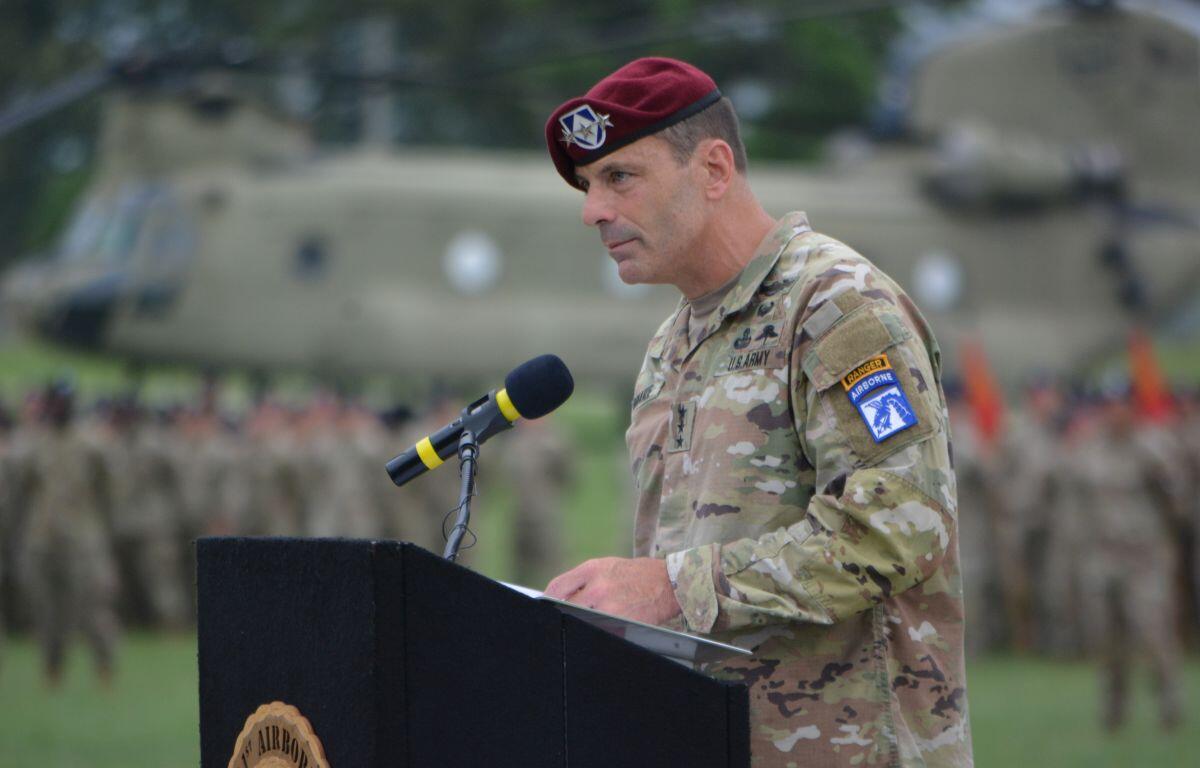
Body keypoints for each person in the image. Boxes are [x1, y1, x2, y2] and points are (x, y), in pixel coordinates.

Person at [541, 58, 971, 766]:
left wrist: (673, 588)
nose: (593, 210)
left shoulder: (836, 307)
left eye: (621, 177)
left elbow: (898, 529)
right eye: (590, 186)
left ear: (713, 170)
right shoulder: (672, 344)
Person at [1068, 388, 1187, 732]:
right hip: (1102, 557)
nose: (1114, 412)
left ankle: (1170, 709)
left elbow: (1177, 503)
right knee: (1108, 640)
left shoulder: (1153, 447)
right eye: (1108, 405)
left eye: (1121, 405)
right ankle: (1113, 715)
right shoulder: (1090, 449)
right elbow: (1079, 504)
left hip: (1144, 559)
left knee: (1153, 634)